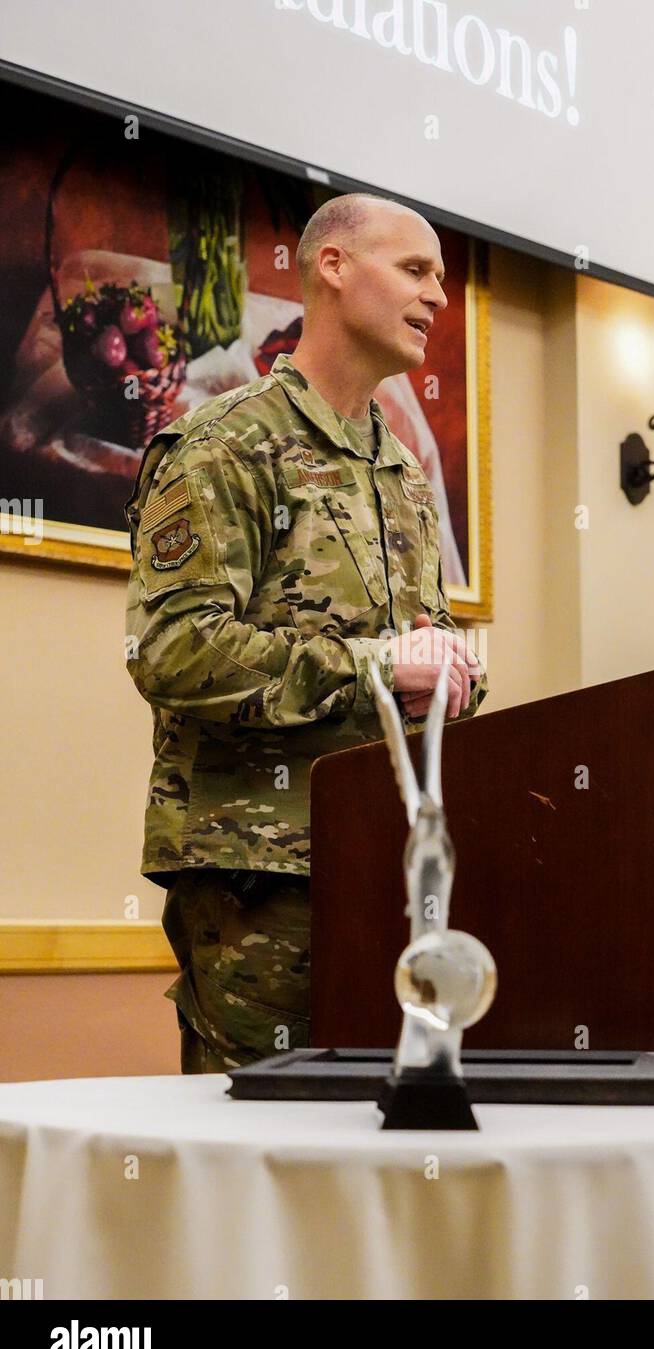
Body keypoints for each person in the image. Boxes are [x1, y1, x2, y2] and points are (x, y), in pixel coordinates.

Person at [123, 192, 488, 1073]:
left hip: (393, 871)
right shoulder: (223, 446)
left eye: (440, 277)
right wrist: (375, 666)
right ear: (332, 267)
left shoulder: (398, 471)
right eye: (414, 270)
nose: (438, 296)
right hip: (261, 876)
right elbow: (172, 651)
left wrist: (455, 677)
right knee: (259, 1166)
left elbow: (418, 658)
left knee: (377, 1162)